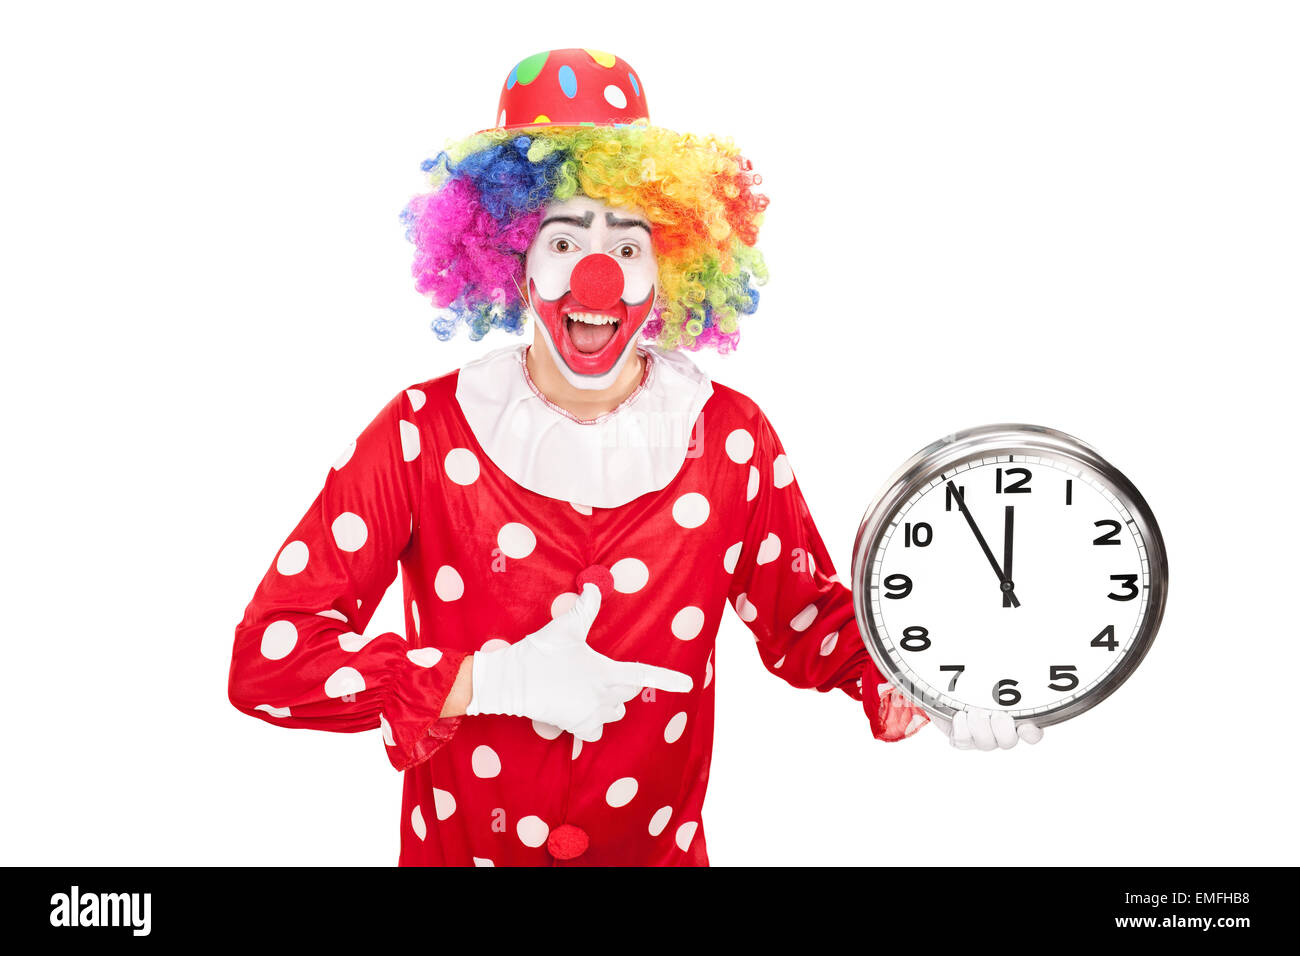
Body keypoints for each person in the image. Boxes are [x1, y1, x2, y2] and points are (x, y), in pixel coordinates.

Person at [229, 48, 1038, 867]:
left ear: (670, 266)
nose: (596, 277)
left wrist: (938, 682)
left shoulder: (729, 437)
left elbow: (809, 624)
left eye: (627, 246)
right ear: (511, 260)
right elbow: (272, 658)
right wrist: (487, 682)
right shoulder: (420, 433)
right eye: (563, 239)